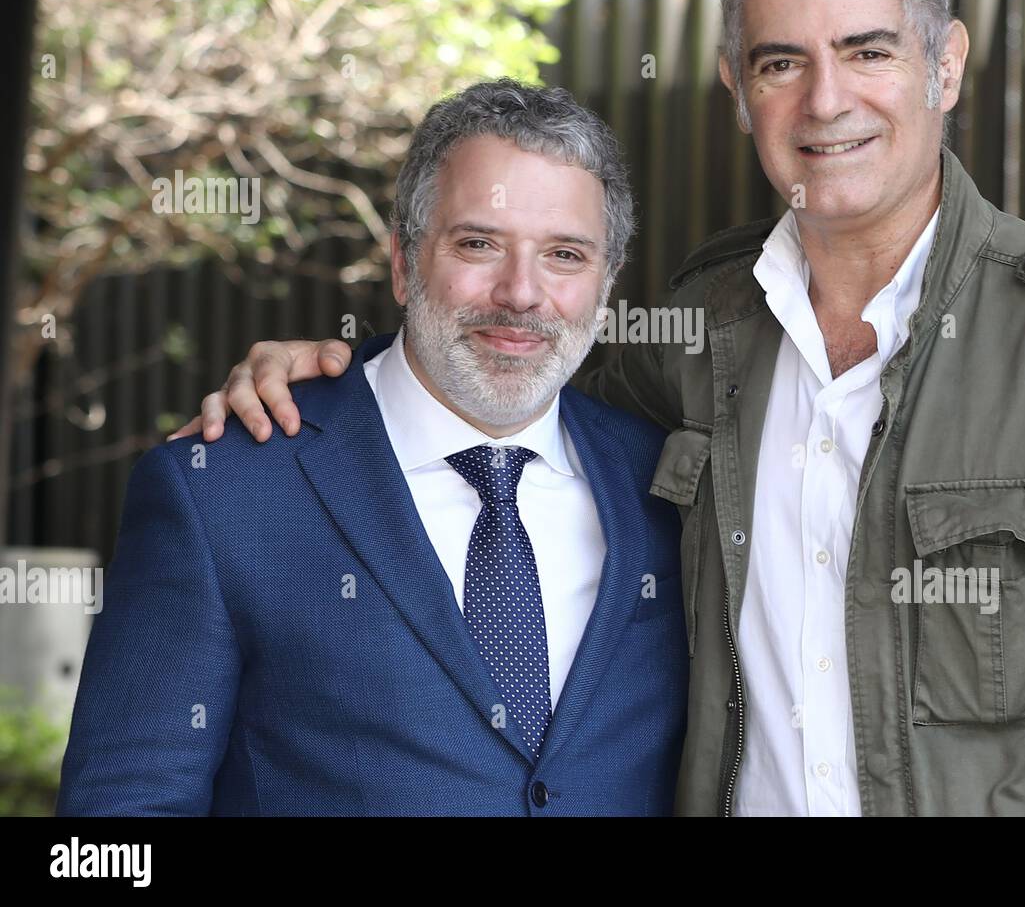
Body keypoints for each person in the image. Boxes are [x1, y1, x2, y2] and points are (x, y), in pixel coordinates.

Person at [173, 0, 1025, 816]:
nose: (825, 100)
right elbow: (500, 381)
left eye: (867, 51)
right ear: (734, 86)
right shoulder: (691, 337)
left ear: (943, 65)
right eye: (779, 62)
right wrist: (338, 378)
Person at [58, 80, 688, 816]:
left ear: (607, 281)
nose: (521, 292)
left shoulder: (665, 487)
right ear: (401, 259)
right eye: (479, 243)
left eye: (565, 255)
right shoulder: (220, 490)